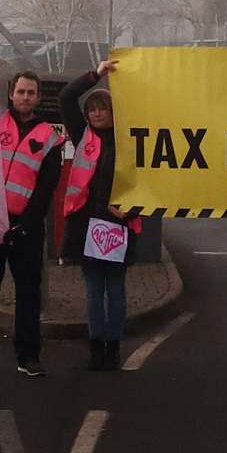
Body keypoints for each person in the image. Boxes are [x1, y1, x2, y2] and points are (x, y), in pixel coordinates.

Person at [0, 68, 64, 378]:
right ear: (11, 94)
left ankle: (28, 356)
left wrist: (26, 224)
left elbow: (47, 186)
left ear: (38, 97)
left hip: (27, 227)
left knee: (28, 292)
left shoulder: (50, 137)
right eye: (20, 91)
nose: (25, 97)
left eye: (31, 93)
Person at [59, 60, 141, 370]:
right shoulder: (83, 136)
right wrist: (96, 74)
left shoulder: (130, 140)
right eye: (92, 108)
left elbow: (146, 182)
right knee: (94, 293)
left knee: (116, 291)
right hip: (86, 226)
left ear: (112, 111)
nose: (96, 113)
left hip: (119, 226)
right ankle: (96, 348)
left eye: (102, 108)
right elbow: (67, 97)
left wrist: (130, 208)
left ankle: (114, 347)